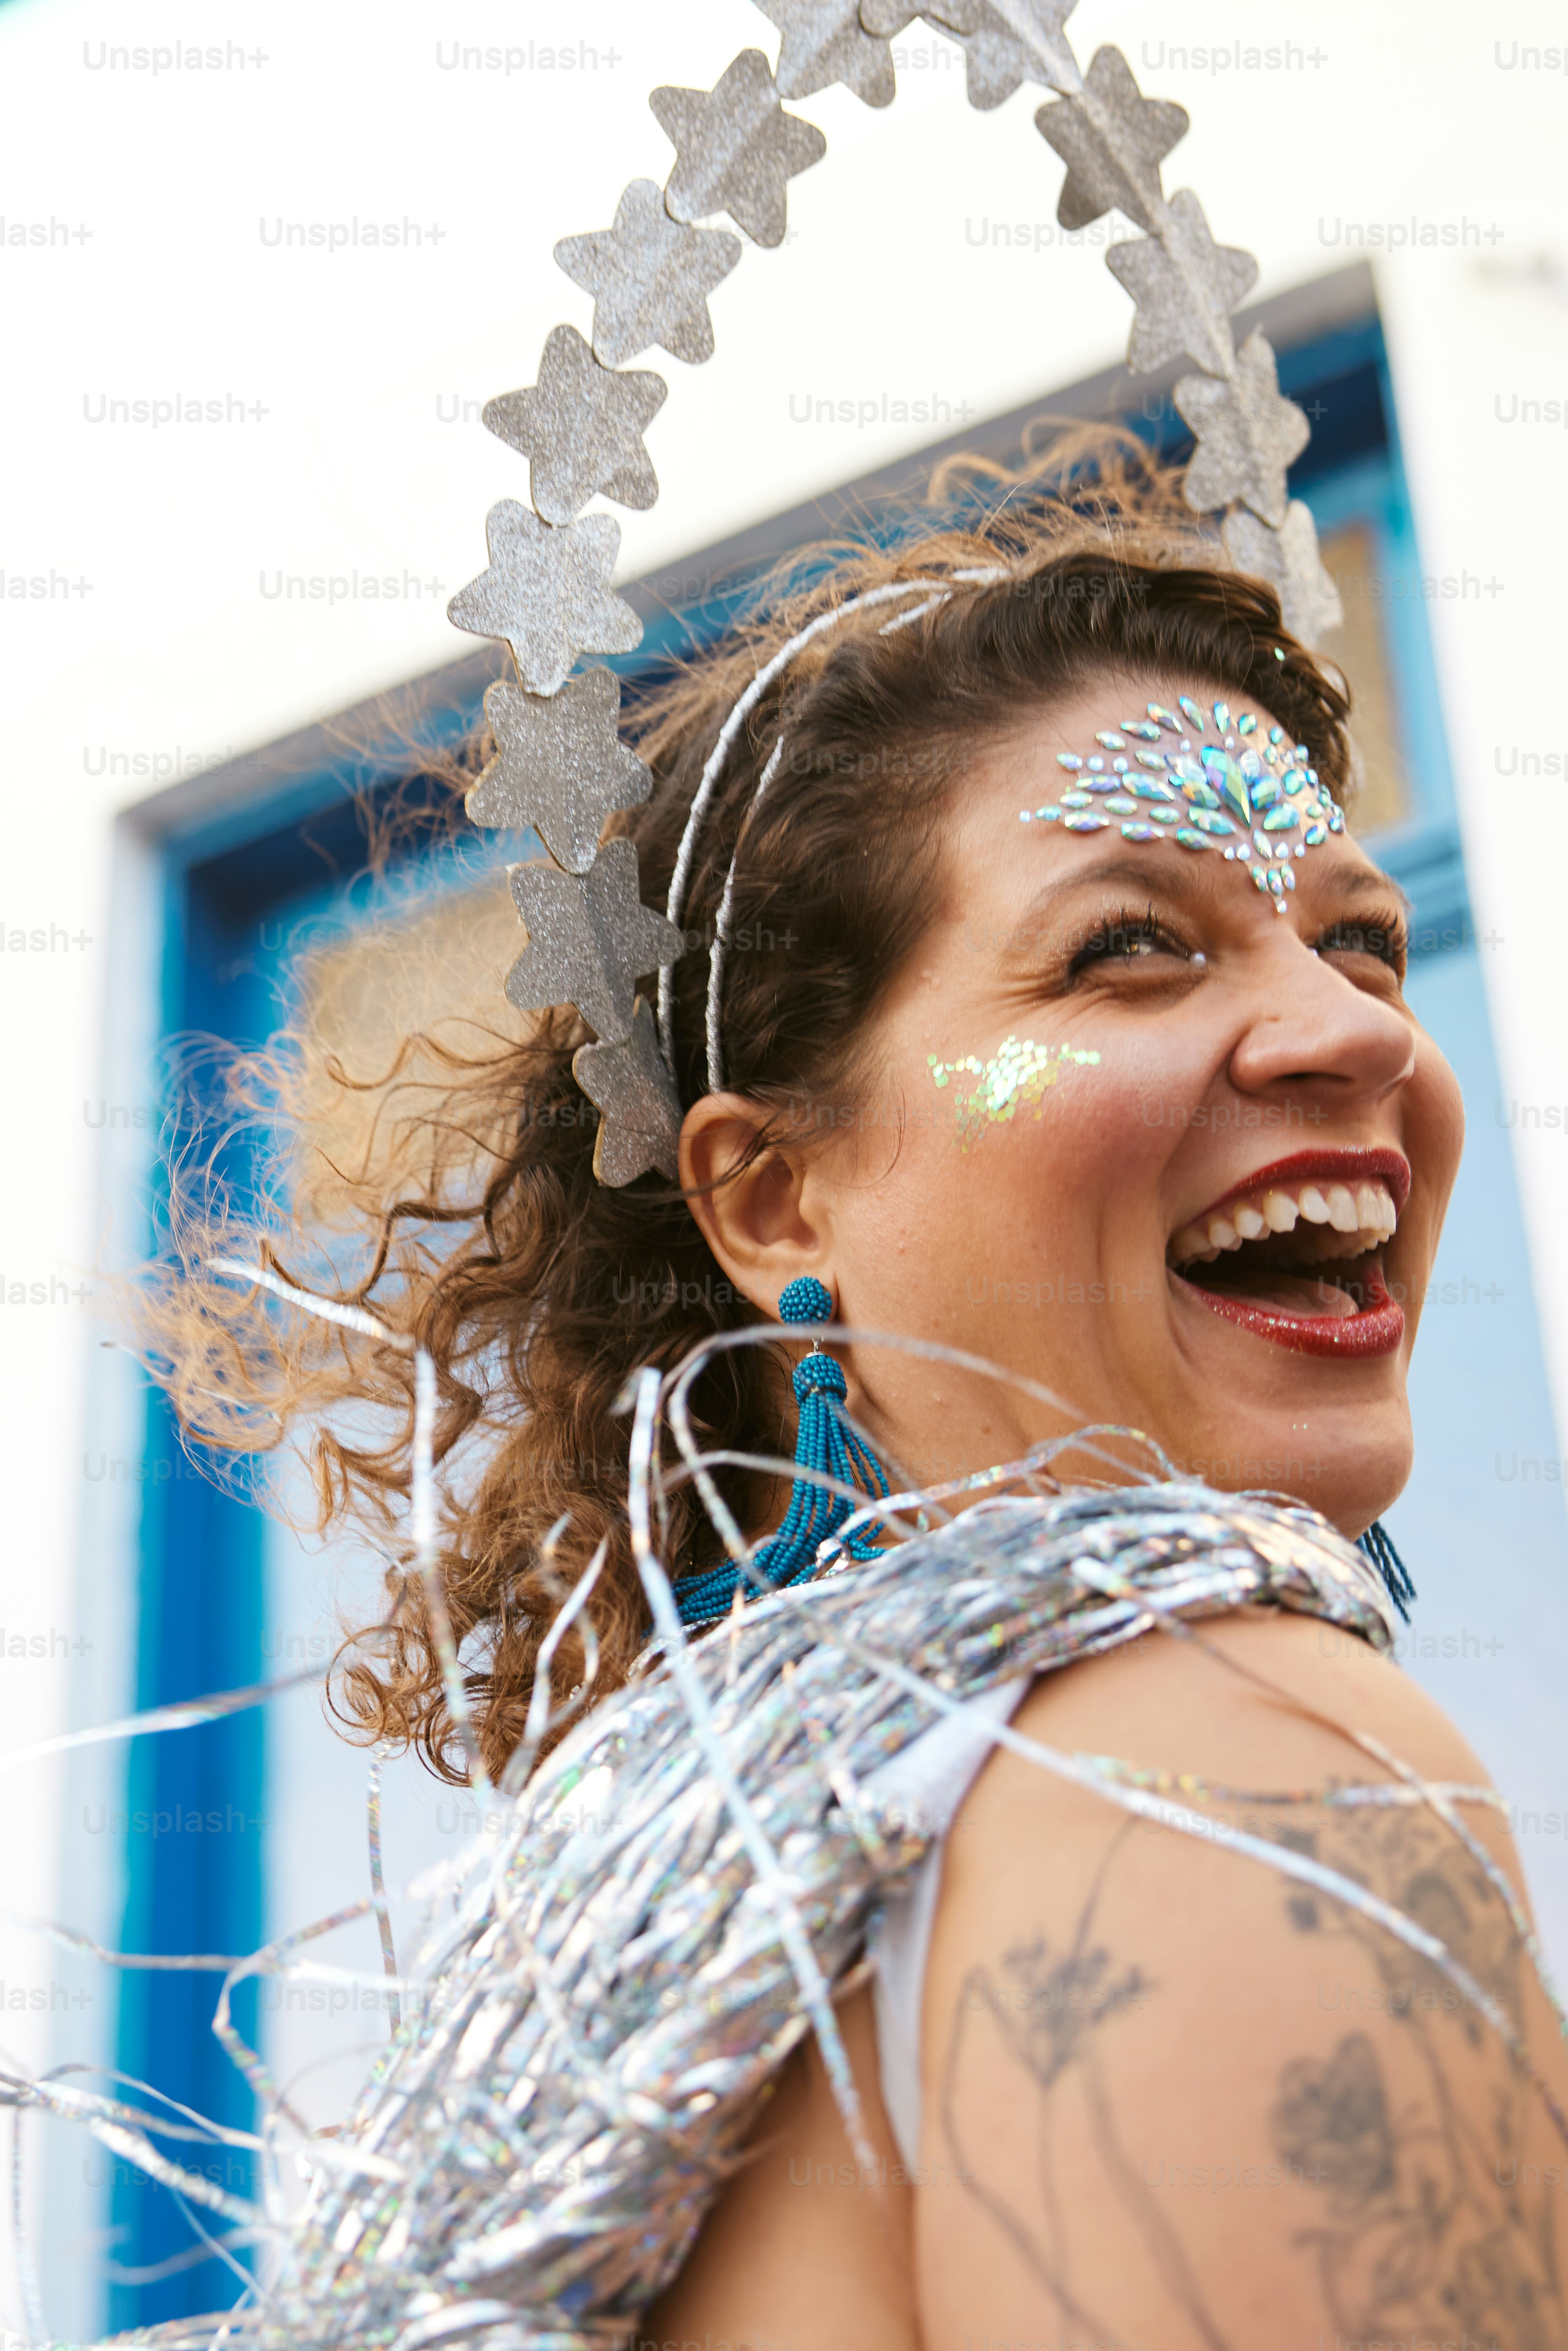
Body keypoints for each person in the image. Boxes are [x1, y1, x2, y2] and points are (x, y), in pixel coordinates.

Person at [147, 446, 1568, 2350]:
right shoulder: (1222, 1760)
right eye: (1127, 949)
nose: (1354, 1029)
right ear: (773, 1196)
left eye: (1362, 943)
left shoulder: (676, 1991)